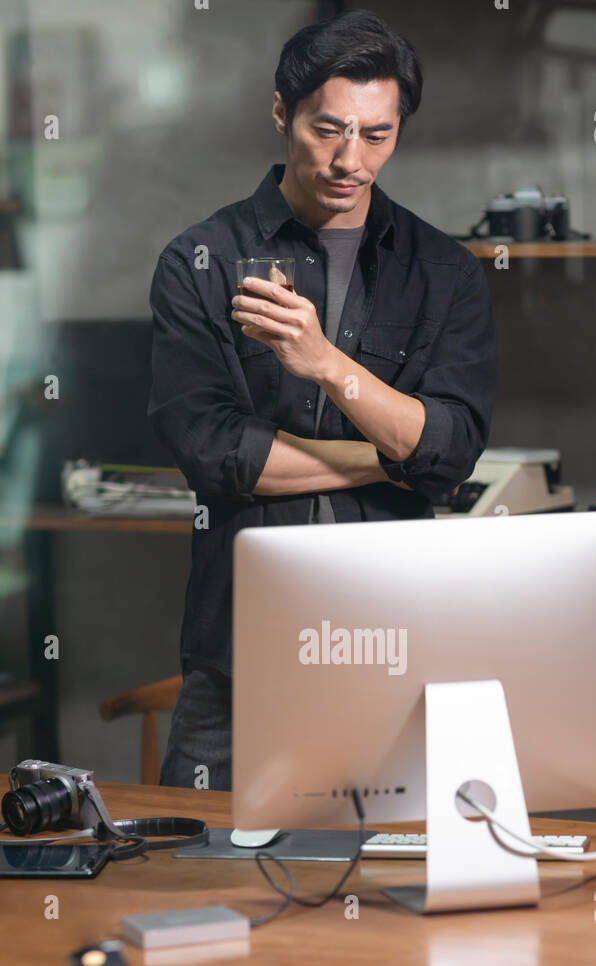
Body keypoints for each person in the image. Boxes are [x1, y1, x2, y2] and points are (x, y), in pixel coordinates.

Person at [150, 9, 497, 790]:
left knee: (394, 889)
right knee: (194, 882)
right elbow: (219, 457)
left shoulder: (443, 271)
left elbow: (451, 445)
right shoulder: (199, 262)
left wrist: (324, 363)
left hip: (399, 639)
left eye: (377, 135)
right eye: (327, 129)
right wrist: (394, 462)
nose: (350, 159)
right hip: (237, 648)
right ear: (282, 113)